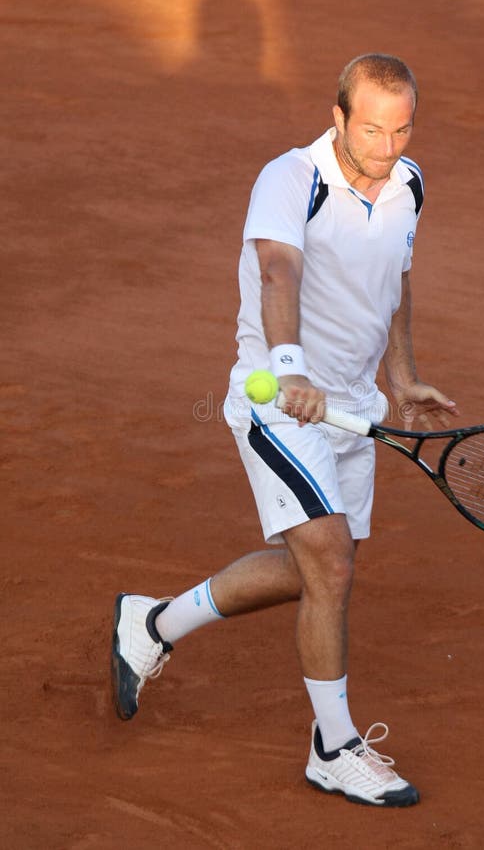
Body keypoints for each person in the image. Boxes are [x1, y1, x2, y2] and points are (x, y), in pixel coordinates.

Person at [111, 53, 459, 807]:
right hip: (279, 400)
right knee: (330, 565)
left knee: (310, 569)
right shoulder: (291, 178)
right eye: (371, 129)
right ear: (338, 118)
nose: (386, 147)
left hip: (353, 408)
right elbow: (279, 273)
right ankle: (333, 748)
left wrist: (401, 377)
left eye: (401, 130)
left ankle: (153, 623)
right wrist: (292, 370)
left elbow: (395, 279)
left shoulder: (408, 184)